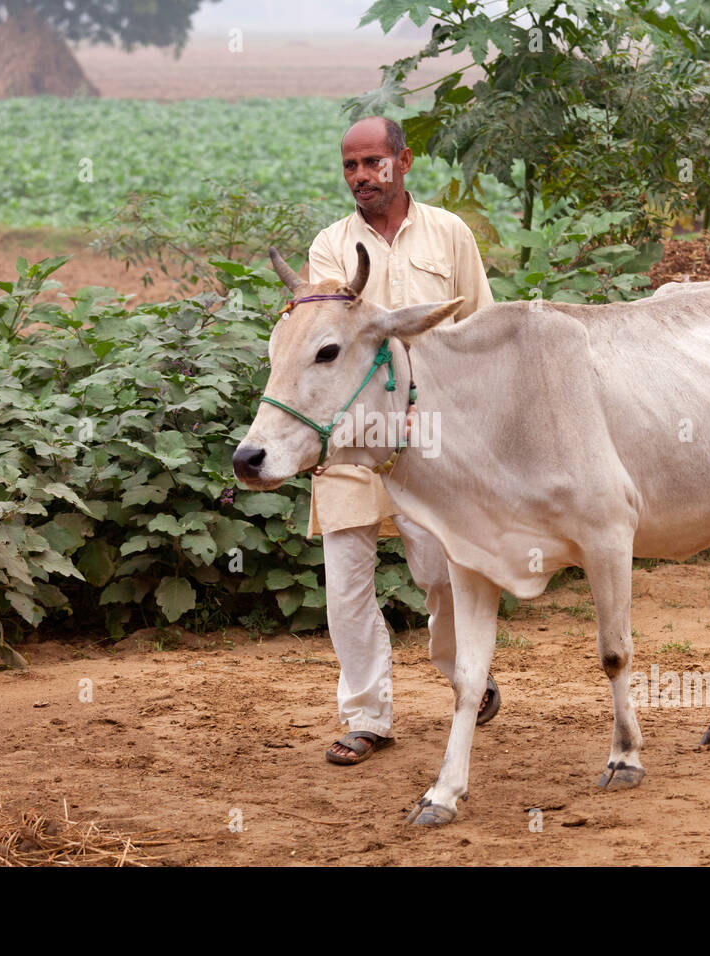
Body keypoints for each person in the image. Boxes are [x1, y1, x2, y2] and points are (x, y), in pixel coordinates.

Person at [304, 116, 499, 765]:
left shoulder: (450, 234)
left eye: (372, 162)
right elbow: (323, 334)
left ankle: (465, 670)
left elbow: (481, 330)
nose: (361, 176)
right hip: (351, 436)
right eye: (350, 165)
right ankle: (367, 716)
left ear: (403, 160)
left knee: (442, 572)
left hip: (433, 438)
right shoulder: (330, 247)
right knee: (346, 584)